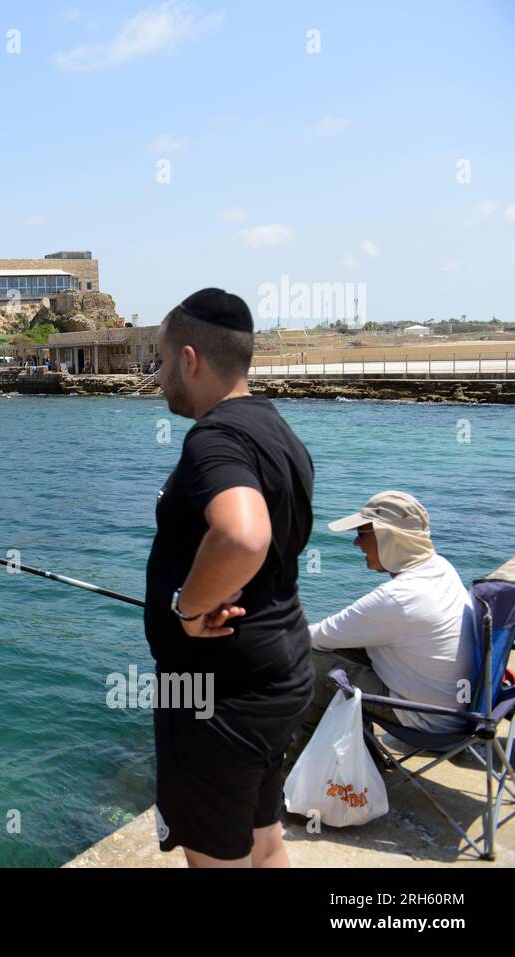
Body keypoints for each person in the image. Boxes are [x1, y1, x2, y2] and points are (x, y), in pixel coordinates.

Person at [145, 287, 315, 868]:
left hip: (218, 694)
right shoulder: (277, 430)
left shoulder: (213, 438)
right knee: (264, 841)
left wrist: (189, 609)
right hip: (279, 670)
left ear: (190, 359)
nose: (159, 374)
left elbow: (243, 536)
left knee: (216, 858)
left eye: (162, 360)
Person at [295, 491, 473, 753]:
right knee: (335, 650)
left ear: (388, 536)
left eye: (362, 533)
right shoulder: (440, 568)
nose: (356, 543)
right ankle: (351, 751)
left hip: (425, 718)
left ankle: (305, 767)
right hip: (456, 708)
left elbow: (316, 637)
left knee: (303, 662)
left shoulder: (400, 597)